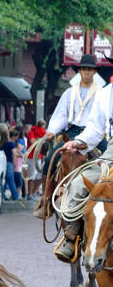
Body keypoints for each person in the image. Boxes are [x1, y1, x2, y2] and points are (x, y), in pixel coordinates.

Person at [49, 69, 113, 263]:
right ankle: (72, 236)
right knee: (77, 184)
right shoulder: (105, 94)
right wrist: (78, 142)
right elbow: (94, 129)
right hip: (112, 149)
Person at [33, 53, 107, 219]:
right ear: (79, 71)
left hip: (94, 134)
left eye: (90, 69)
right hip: (72, 132)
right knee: (51, 160)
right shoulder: (69, 93)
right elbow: (60, 115)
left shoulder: (101, 93)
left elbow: (101, 120)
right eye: (84, 69)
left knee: (108, 161)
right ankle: (45, 202)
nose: (87, 72)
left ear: (94, 72)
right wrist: (52, 131)